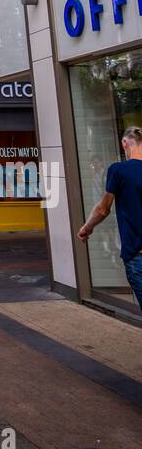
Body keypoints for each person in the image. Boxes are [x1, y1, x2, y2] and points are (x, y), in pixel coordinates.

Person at [78, 126, 142, 312]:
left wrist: (87, 228)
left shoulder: (118, 170)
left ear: (124, 144)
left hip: (137, 255)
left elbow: (102, 209)